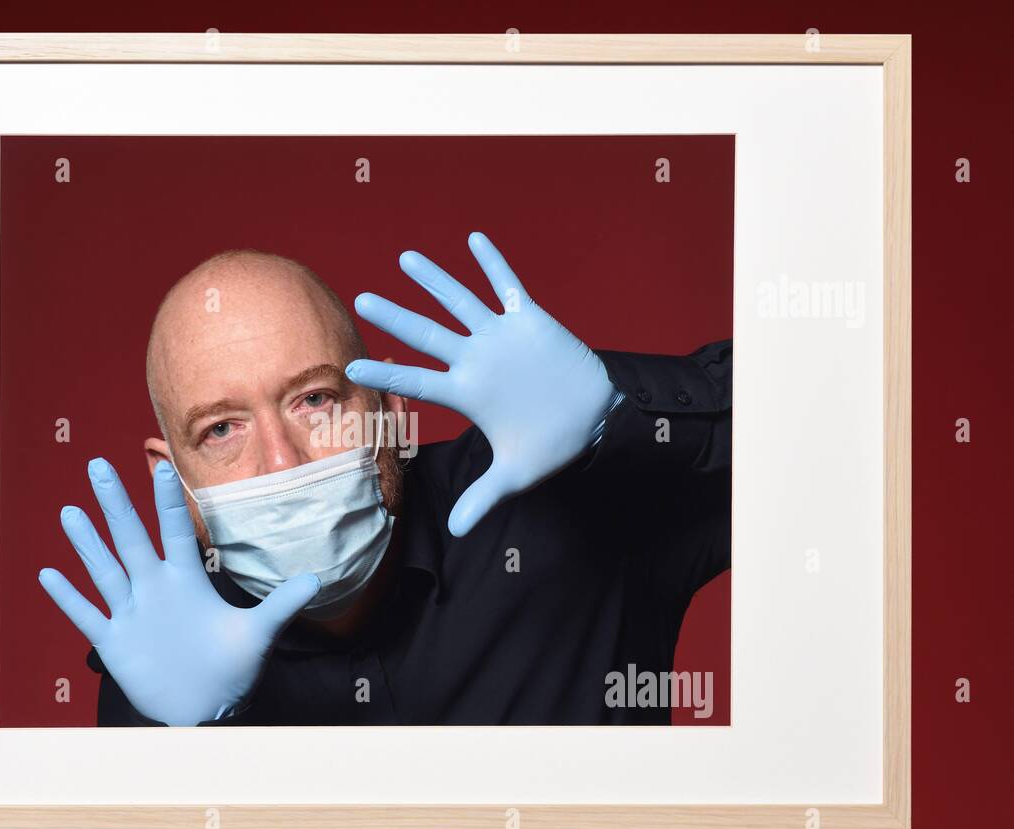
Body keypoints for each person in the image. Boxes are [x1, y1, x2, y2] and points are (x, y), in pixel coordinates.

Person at [38, 232, 731, 726]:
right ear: (174, 479)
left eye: (315, 400)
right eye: (221, 429)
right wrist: (179, 749)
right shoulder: (163, 666)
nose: (282, 461)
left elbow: (796, 428)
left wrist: (617, 411)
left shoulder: (573, 502)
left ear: (393, 417)